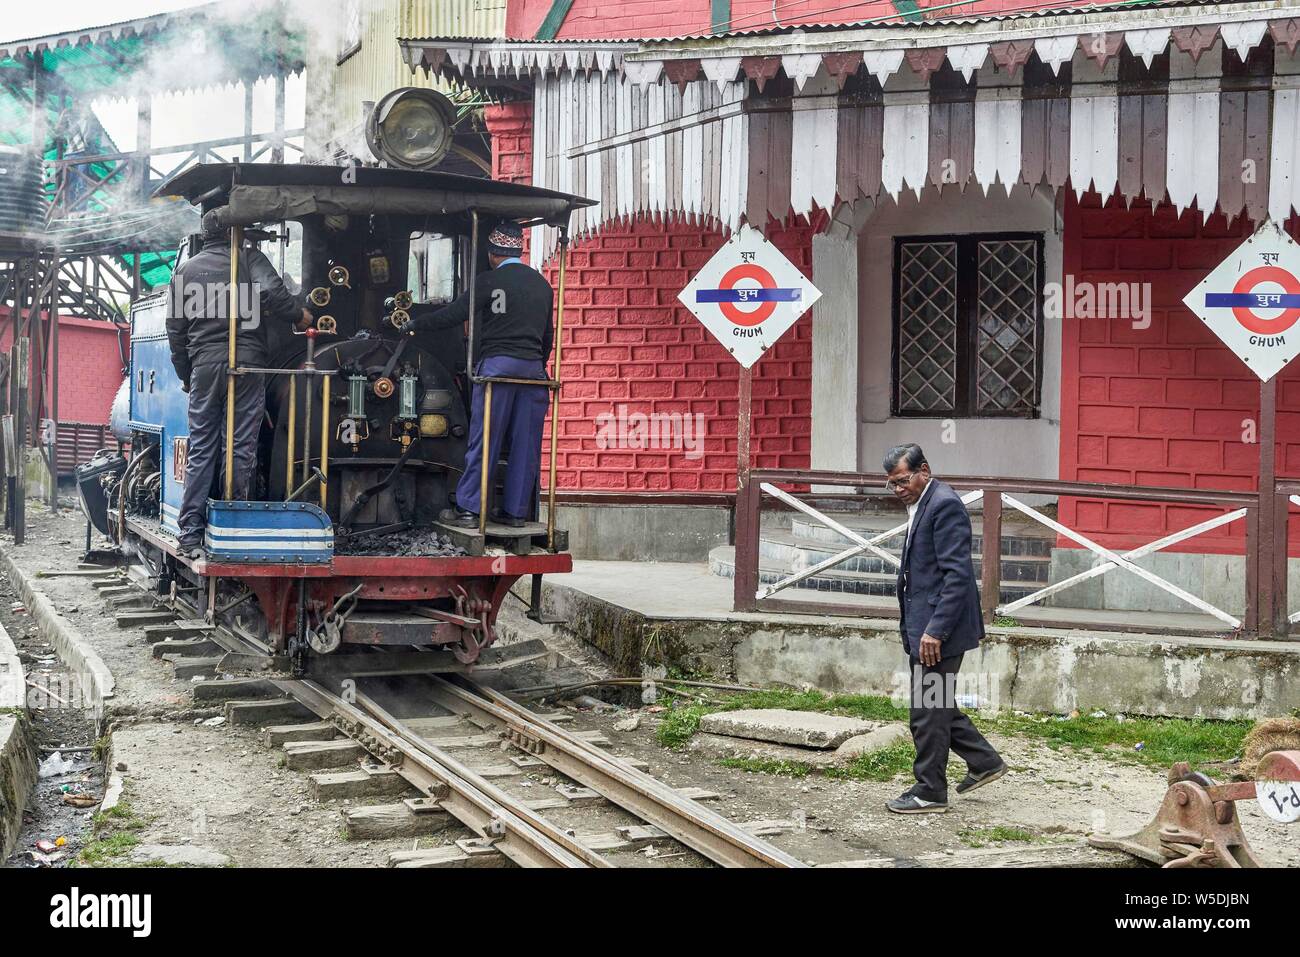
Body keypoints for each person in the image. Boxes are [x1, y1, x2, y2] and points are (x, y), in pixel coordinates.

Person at [166, 210, 311, 558]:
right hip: (247, 362)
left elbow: (175, 331)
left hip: (203, 364)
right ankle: (230, 527)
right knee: (240, 445)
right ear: (237, 231)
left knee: (201, 447)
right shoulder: (247, 258)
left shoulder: (184, 271)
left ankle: (189, 535)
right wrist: (298, 315)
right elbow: (275, 294)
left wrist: (187, 375)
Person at [400, 221, 553, 528]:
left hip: (496, 368)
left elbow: (454, 315)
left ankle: (469, 510)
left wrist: (415, 324)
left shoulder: (488, 281)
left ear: (493, 253)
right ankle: (515, 513)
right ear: (519, 251)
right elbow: (548, 337)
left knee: (485, 440)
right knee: (526, 443)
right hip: (534, 372)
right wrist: (534, 364)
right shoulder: (543, 286)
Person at [884, 443, 1006, 814]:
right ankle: (984, 762)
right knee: (935, 705)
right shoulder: (924, 501)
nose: (898, 489)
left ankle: (930, 790)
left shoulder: (944, 504)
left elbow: (957, 577)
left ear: (924, 469)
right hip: (925, 625)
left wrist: (935, 631)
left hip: (939, 631)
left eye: (904, 480)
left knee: (926, 710)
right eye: (891, 484)